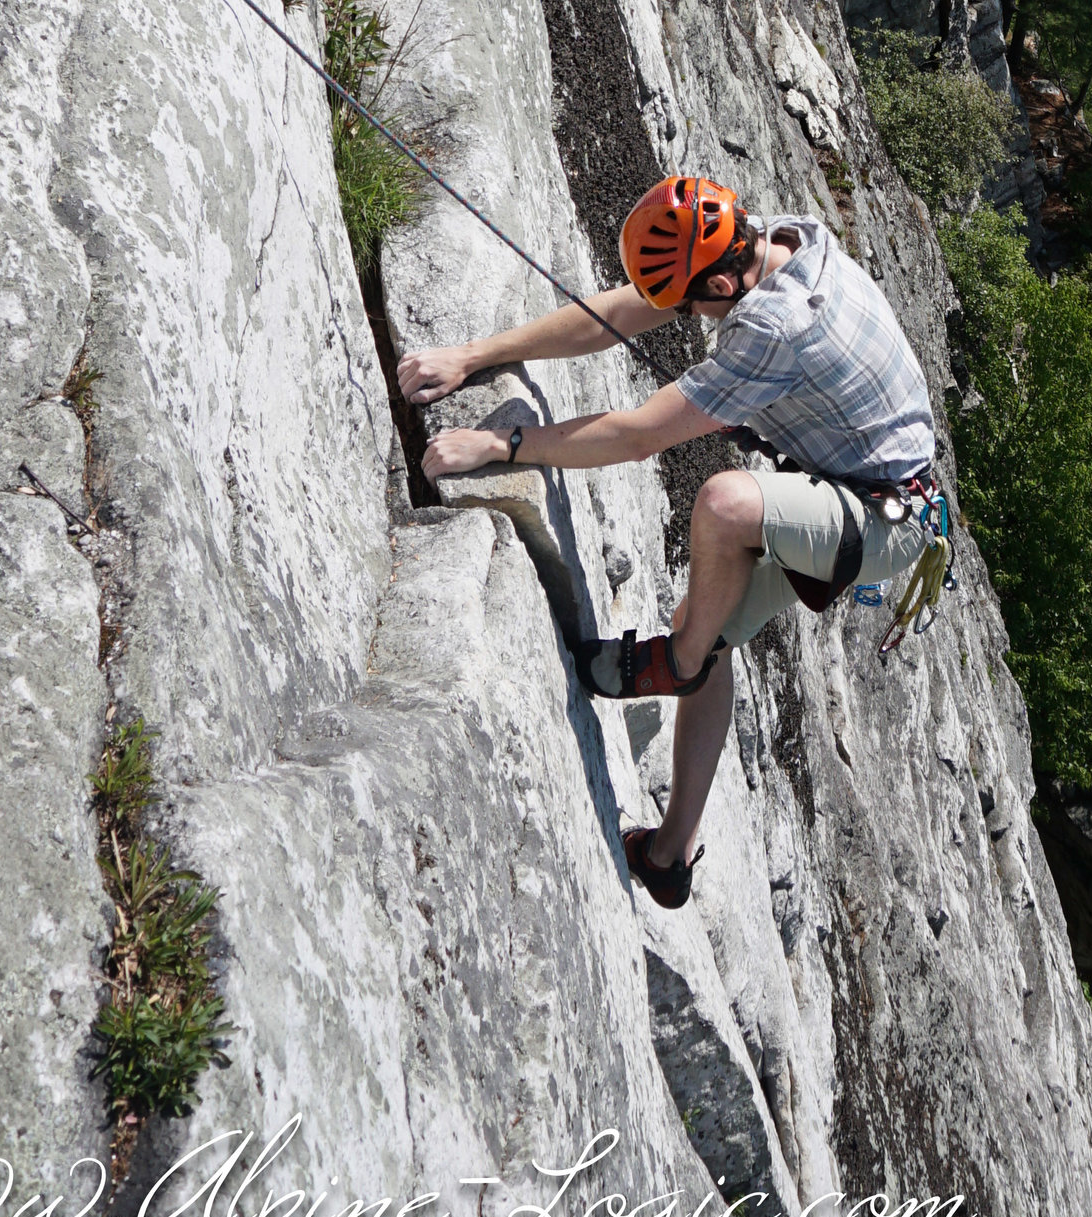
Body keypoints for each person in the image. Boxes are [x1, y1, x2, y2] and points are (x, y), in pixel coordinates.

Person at [400, 174, 939, 908]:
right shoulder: (780, 238)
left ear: (721, 273)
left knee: (722, 504)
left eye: (691, 302)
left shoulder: (776, 327)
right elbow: (624, 310)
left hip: (883, 523)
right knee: (709, 628)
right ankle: (668, 855)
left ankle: (678, 663)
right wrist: (475, 355)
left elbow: (638, 436)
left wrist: (503, 444)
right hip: (861, 489)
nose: (686, 315)